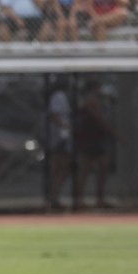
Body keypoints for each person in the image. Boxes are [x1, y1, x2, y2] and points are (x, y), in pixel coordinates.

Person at [73, 79, 118, 208]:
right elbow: (99, 118)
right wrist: (115, 134)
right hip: (89, 139)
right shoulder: (89, 101)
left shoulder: (99, 101)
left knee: (103, 167)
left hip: (97, 139)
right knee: (85, 169)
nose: (99, 91)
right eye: (97, 88)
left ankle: (99, 198)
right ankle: (79, 199)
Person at [45, 77, 74, 209]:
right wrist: (67, 128)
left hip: (63, 136)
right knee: (59, 167)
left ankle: (54, 196)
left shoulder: (62, 96)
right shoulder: (58, 96)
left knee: (63, 168)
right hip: (60, 137)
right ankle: (53, 198)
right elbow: (54, 115)